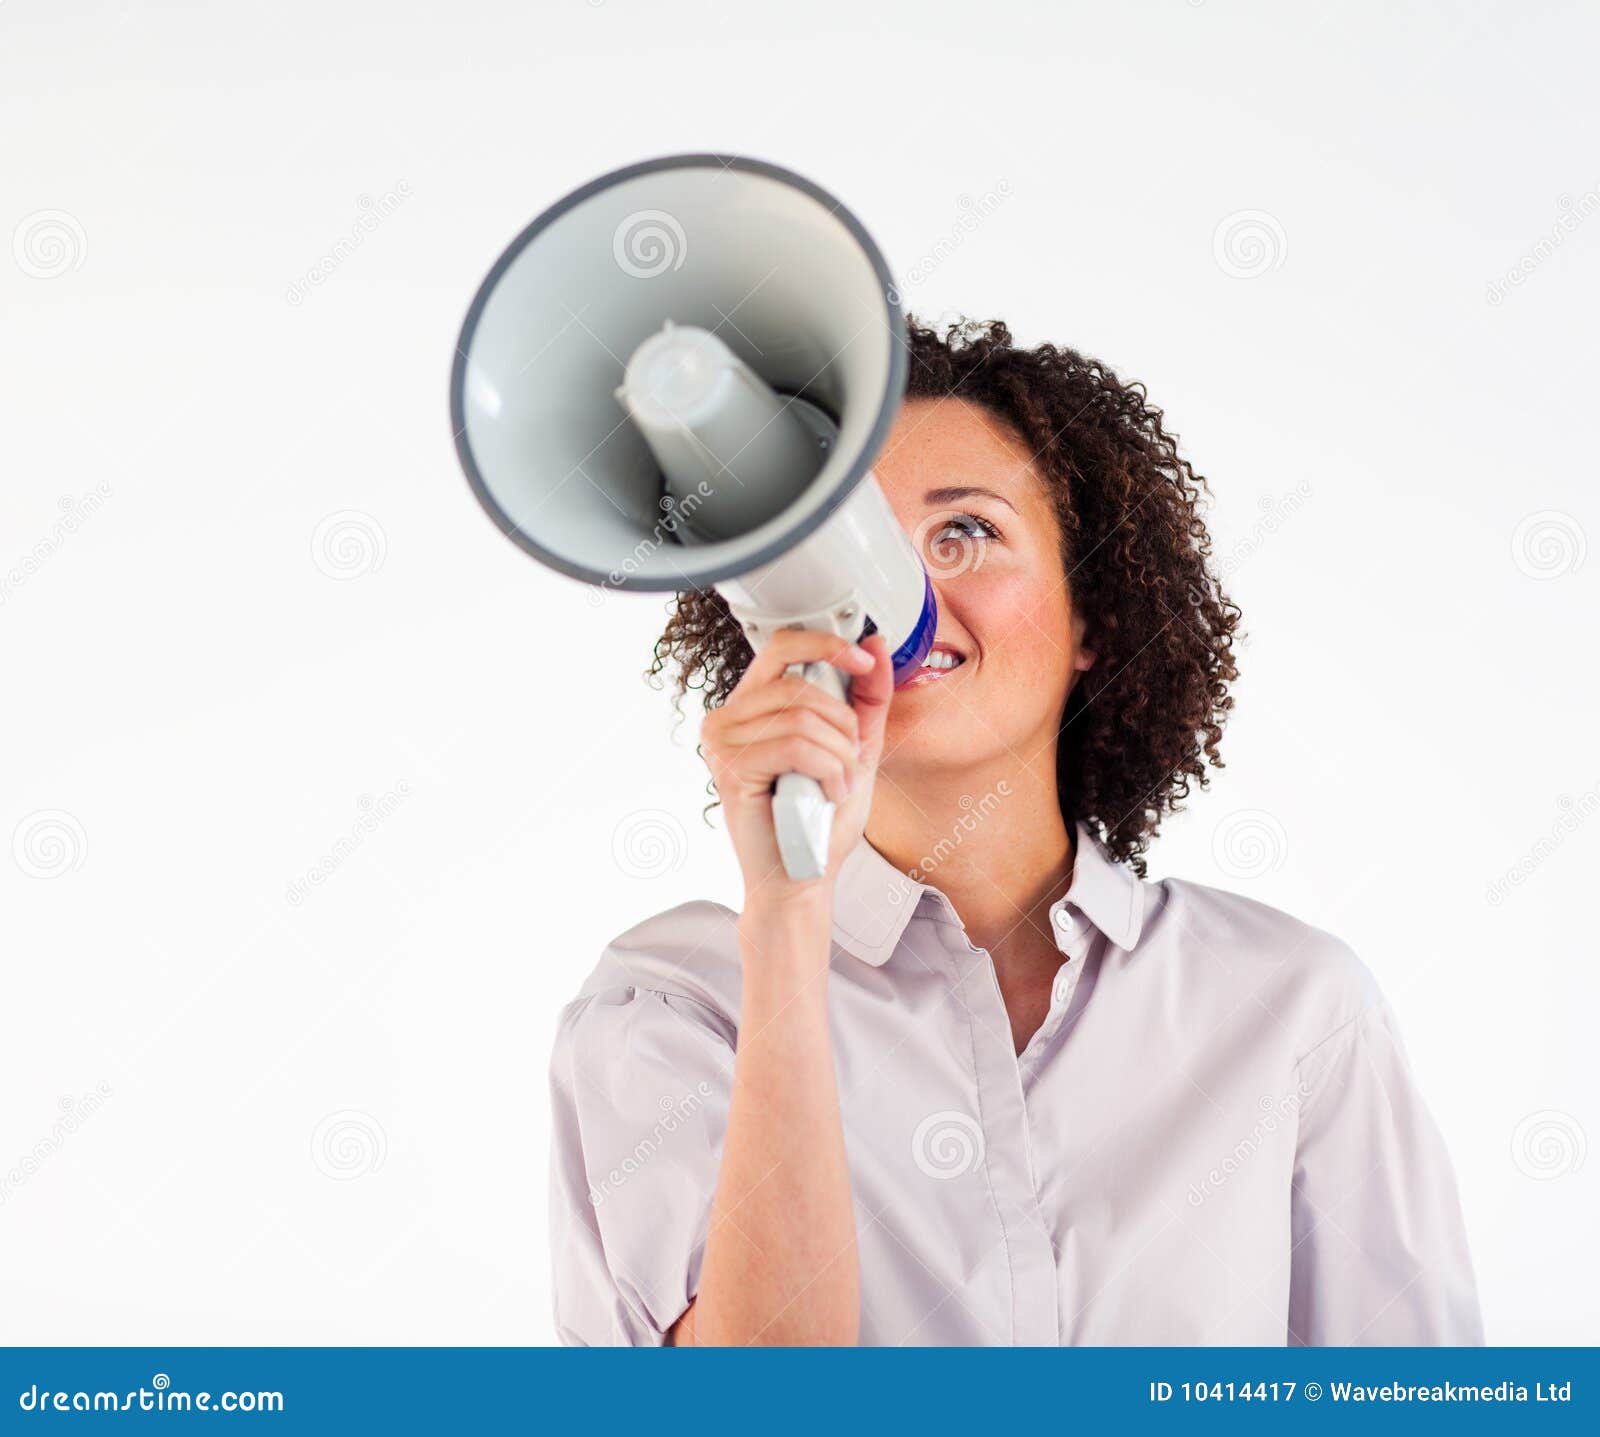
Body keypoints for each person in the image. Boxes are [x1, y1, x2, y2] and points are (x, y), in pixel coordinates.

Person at [548, 318, 1483, 1346]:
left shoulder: (1291, 1008)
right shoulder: (670, 1010)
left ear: (1092, 619)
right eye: (845, 545)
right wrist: (787, 915)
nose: (895, 593)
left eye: (963, 533)